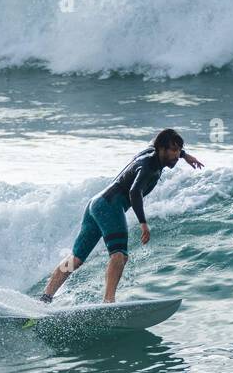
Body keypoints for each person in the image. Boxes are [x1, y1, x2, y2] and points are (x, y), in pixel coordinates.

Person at [41, 128, 203, 303]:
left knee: (76, 258)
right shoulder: (149, 166)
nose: (176, 155)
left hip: (96, 204)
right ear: (161, 149)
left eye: (179, 150)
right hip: (110, 206)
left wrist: (186, 156)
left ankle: (45, 297)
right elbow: (135, 192)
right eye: (173, 150)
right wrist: (143, 223)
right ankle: (108, 302)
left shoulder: (150, 152)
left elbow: (154, 140)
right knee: (119, 255)